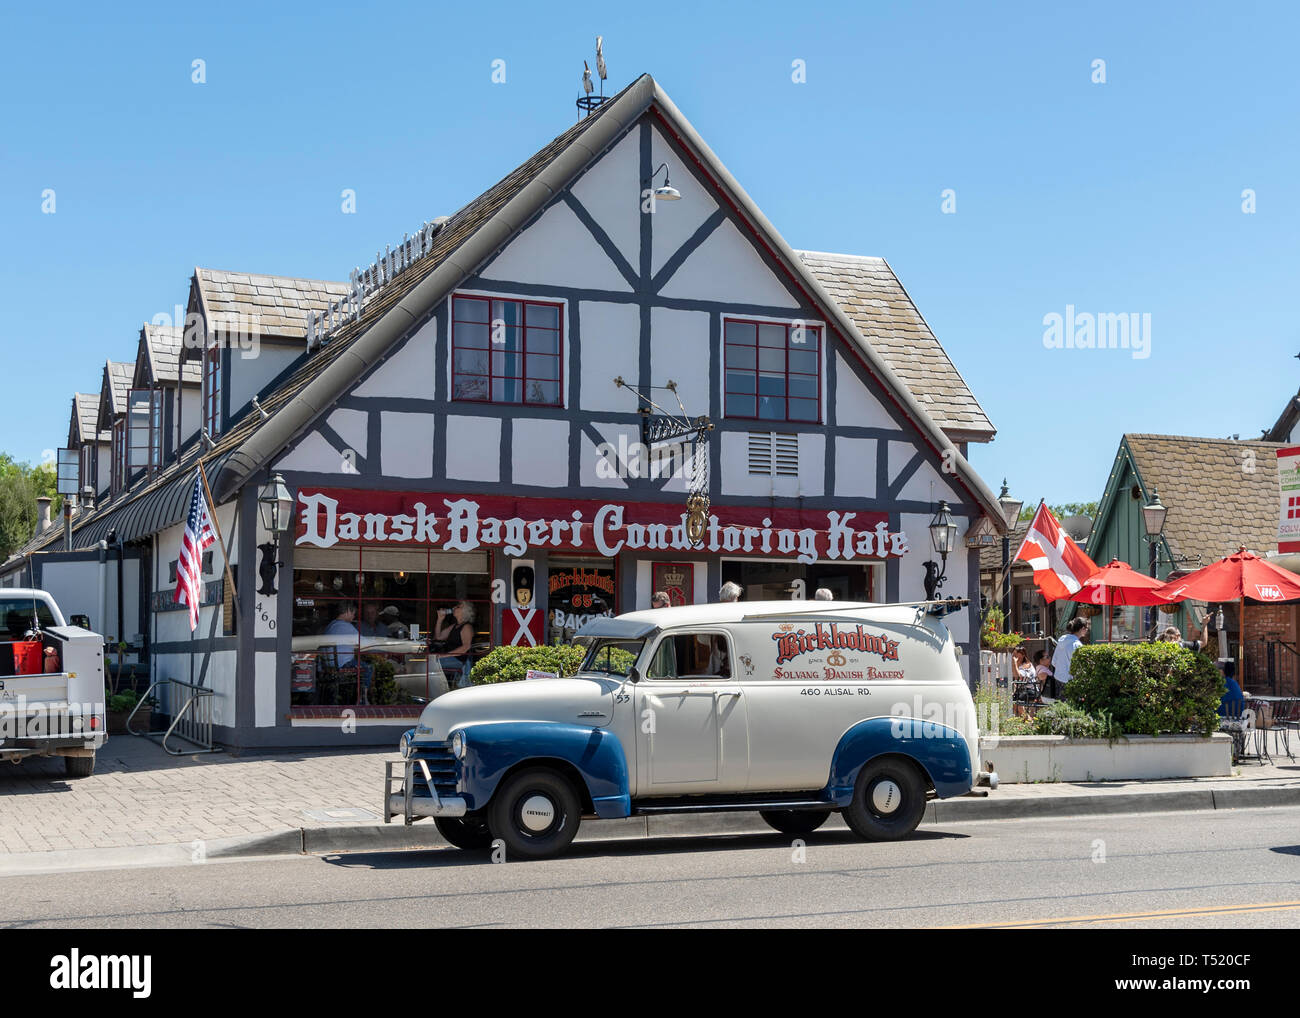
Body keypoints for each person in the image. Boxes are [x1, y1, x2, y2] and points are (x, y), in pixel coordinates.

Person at [434, 601, 476, 689]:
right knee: (432, 663)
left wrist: (444, 656)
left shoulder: (466, 627)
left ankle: (439, 688)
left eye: (458, 607)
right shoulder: (454, 626)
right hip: (451, 658)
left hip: (460, 661)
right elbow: (438, 637)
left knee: (433, 664)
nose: (454, 608)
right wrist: (440, 620)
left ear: (465, 611)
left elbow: (466, 647)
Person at [1050, 617, 1089, 696]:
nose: (1087, 630)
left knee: (1061, 706)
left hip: (1058, 678)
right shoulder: (1077, 645)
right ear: (1082, 628)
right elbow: (1080, 666)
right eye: (1087, 628)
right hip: (1070, 681)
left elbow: (1054, 662)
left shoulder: (1062, 640)